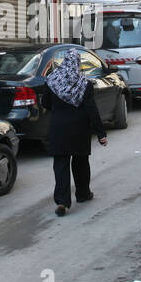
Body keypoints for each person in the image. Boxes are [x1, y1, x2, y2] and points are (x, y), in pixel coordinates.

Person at [43, 49, 108, 217]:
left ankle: (62, 202)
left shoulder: (52, 80)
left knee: (61, 165)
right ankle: (83, 194)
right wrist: (101, 134)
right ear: (78, 63)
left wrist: (59, 110)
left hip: (58, 128)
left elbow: (45, 103)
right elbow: (91, 110)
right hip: (79, 130)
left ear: (64, 62)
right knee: (80, 163)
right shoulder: (84, 84)